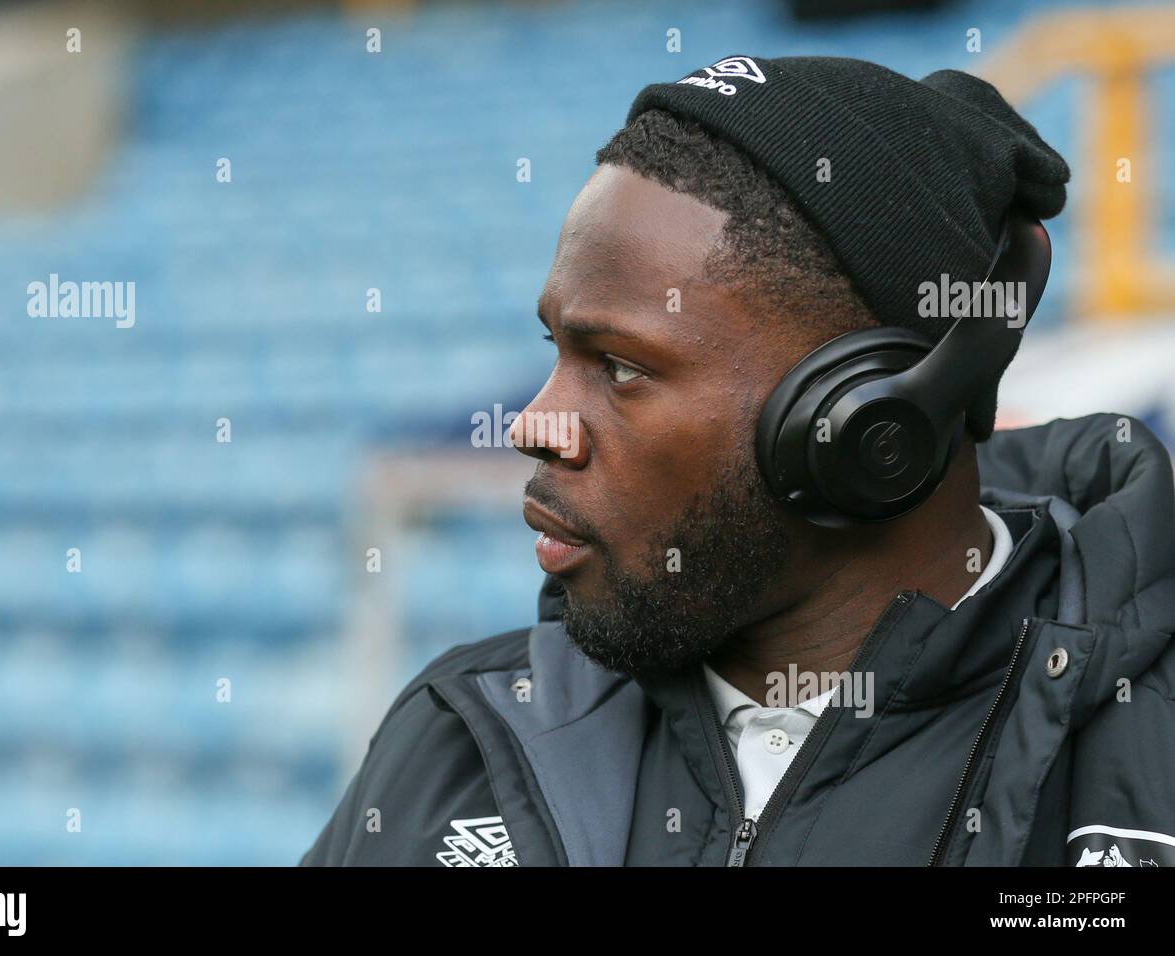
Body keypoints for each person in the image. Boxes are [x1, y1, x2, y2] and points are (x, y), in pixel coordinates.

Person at [302, 55, 1175, 867]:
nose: (533, 425)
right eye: (554, 351)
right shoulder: (461, 735)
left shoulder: (1147, 749)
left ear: (871, 422)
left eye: (620, 366)